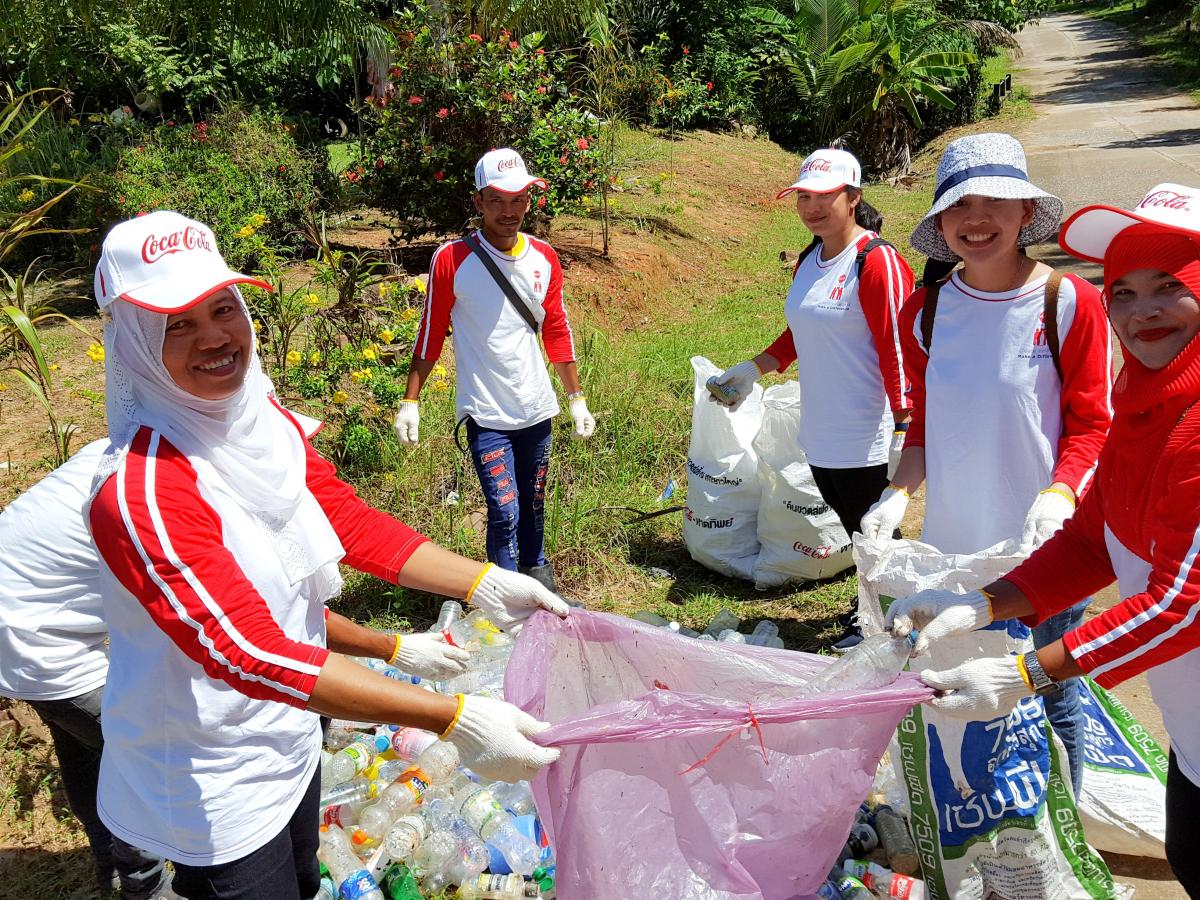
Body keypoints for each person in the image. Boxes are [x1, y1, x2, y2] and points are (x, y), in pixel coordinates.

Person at [87, 210, 569, 900]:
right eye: (176, 325)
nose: (216, 337)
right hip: (212, 777)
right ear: (132, 343)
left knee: (309, 879)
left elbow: (346, 521)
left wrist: (487, 580)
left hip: (290, 727)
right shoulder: (142, 490)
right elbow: (244, 652)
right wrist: (451, 718)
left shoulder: (258, 421)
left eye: (222, 308)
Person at [884, 182, 1200, 893]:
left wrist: (1027, 672)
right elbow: (1092, 543)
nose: (1141, 312)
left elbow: (1183, 603)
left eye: (1170, 288)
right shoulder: (1146, 410)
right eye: (1122, 293)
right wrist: (979, 604)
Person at [859, 133, 1112, 794]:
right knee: (970, 691)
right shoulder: (929, 311)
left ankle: (1061, 826)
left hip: (1046, 550)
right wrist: (894, 495)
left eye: (996, 201)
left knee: (1046, 690)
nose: (978, 219)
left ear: (1026, 213)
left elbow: (1093, 422)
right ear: (940, 224)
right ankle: (997, 823)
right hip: (956, 549)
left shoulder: (1068, 303)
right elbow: (922, 425)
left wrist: (1059, 494)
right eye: (959, 205)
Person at [707, 147, 915, 649]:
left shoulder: (876, 261)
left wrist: (906, 423)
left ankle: (889, 620)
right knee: (857, 528)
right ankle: (881, 609)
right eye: (803, 197)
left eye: (825, 197)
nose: (812, 207)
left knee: (874, 531)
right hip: (821, 431)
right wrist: (753, 370)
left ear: (853, 197)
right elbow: (802, 330)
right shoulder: (811, 258)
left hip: (866, 430)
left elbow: (899, 346)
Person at [394, 148, 595, 593]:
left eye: (519, 199)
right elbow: (431, 332)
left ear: (530, 200)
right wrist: (411, 400)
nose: (509, 211)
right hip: (485, 413)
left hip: (536, 408)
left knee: (535, 503)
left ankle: (538, 578)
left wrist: (576, 398)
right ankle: (504, 595)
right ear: (478, 202)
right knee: (504, 509)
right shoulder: (451, 259)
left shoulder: (544, 258)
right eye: (497, 200)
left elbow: (556, 330)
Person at [0, 441, 170, 900]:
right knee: (142, 761)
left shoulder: (127, 444)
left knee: (84, 751)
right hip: (40, 641)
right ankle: (146, 888)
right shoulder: (159, 483)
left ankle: (110, 866)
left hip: (21, 619)